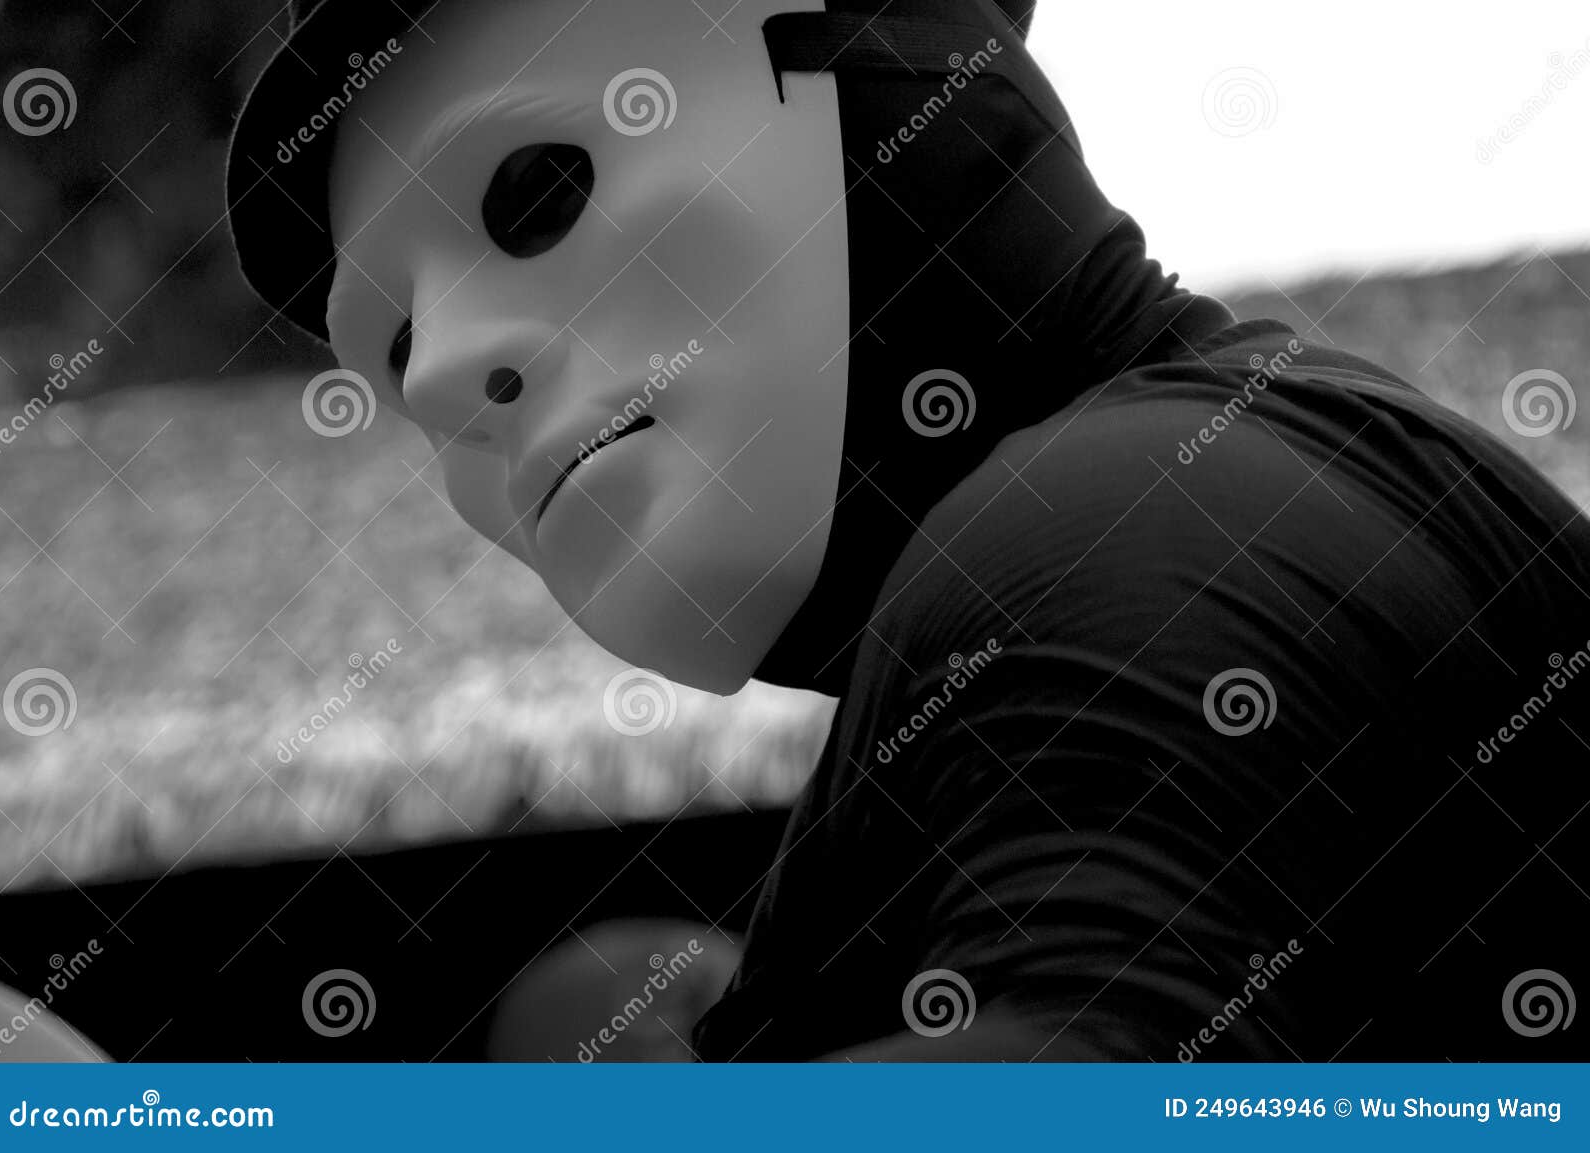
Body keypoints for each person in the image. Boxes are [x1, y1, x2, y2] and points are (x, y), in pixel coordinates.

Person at [226, 0, 1590, 1059]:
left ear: (882, 73)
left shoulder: (1115, 524)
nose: (442, 372)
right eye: (393, 344)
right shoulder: (1206, 475)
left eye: (534, 193)